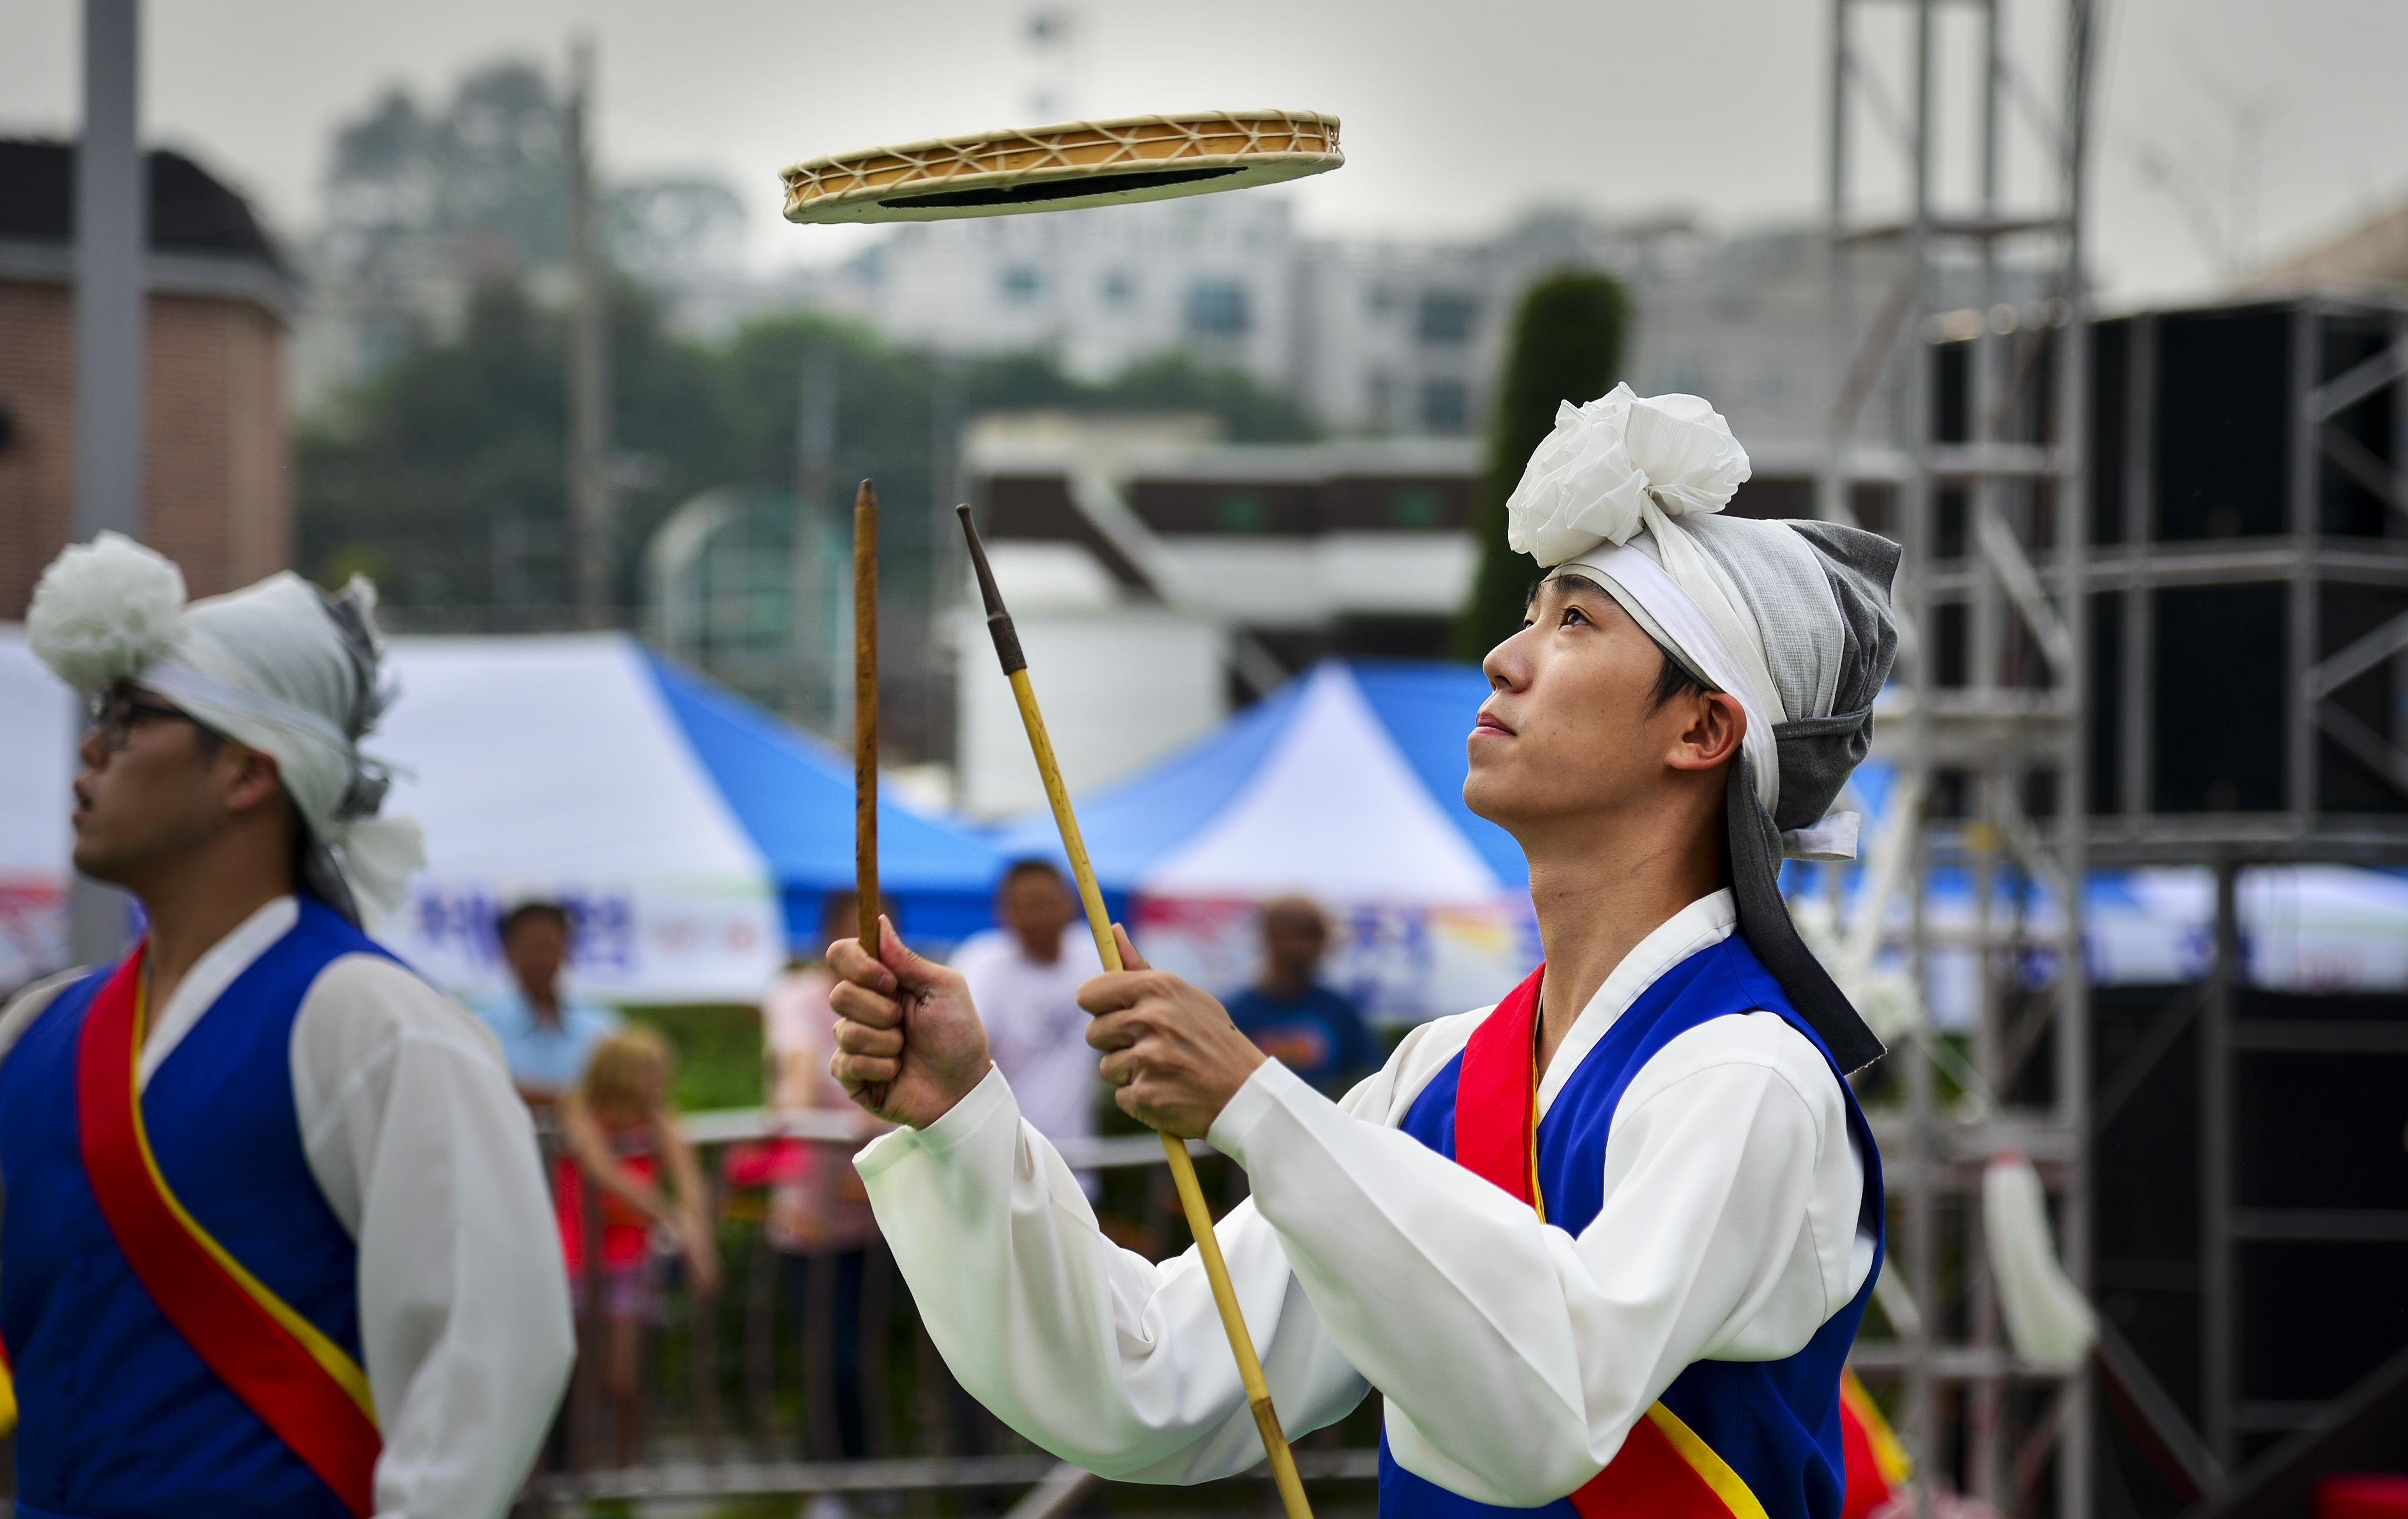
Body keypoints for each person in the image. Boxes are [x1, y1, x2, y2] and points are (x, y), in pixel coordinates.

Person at [825, 386, 1900, 1518]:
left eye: (1576, 622)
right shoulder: (1440, 1069)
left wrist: (1255, 1101)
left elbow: (1556, 1408)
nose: (1503, 657)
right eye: (1530, 614)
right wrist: (958, 1113)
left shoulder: (1747, 1076)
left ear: (1702, 729)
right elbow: (1151, 1378)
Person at [0, 534, 573, 1518]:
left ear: (249, 773)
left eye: (133, 716)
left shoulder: (376, 1021)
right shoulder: (36, 1028)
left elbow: (487, 1349)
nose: (92, 747)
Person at [760, 891, 888, 1461]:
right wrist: (790, 1123)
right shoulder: (796, 997)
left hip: (881, 1218)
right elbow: (798, 1065)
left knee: (868, 1357)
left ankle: (870, 1480)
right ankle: (833, 1481)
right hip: (810, 1216)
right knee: (827, 1359)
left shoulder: (897, 1002)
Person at [558, 1025, 720, 1469]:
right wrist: (671, 1218)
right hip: (574, 1259)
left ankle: (625, 1475)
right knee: (575, 1376)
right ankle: (577, 1472)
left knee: (623, 1381)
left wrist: (700, 1248)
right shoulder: (580, 1108)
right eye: (648, 1071)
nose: (658, 1081)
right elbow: (602, 1170)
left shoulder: (659, 1115)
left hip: (627, 1261)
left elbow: (690, 1183)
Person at [948, 859, 1104, 1150]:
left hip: (1076, 1159)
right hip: (1001, 1156)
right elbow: (961, 1051)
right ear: (1004, 912)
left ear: (1069, 904)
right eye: (1027, 906)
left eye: (1047, 903)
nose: (1040, 918)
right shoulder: (982, 964)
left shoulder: (1094, 956)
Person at [470, 899, 623, 1113]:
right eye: (532, 947)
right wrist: (569, 1101)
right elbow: (480, 1090)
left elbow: (623, 1094)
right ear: (508, 951)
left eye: (550, 946)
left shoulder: (602, 1027)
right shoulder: (478, 1025)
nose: (542, 959)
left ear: (567, 950)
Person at [1222, 896, 1376, 1097]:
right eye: (1308, 935)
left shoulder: (1339, 1011)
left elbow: (1368, 1078)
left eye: (1319, 937)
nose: (1318, 947)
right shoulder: (1236, 1013)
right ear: (1273, 937)